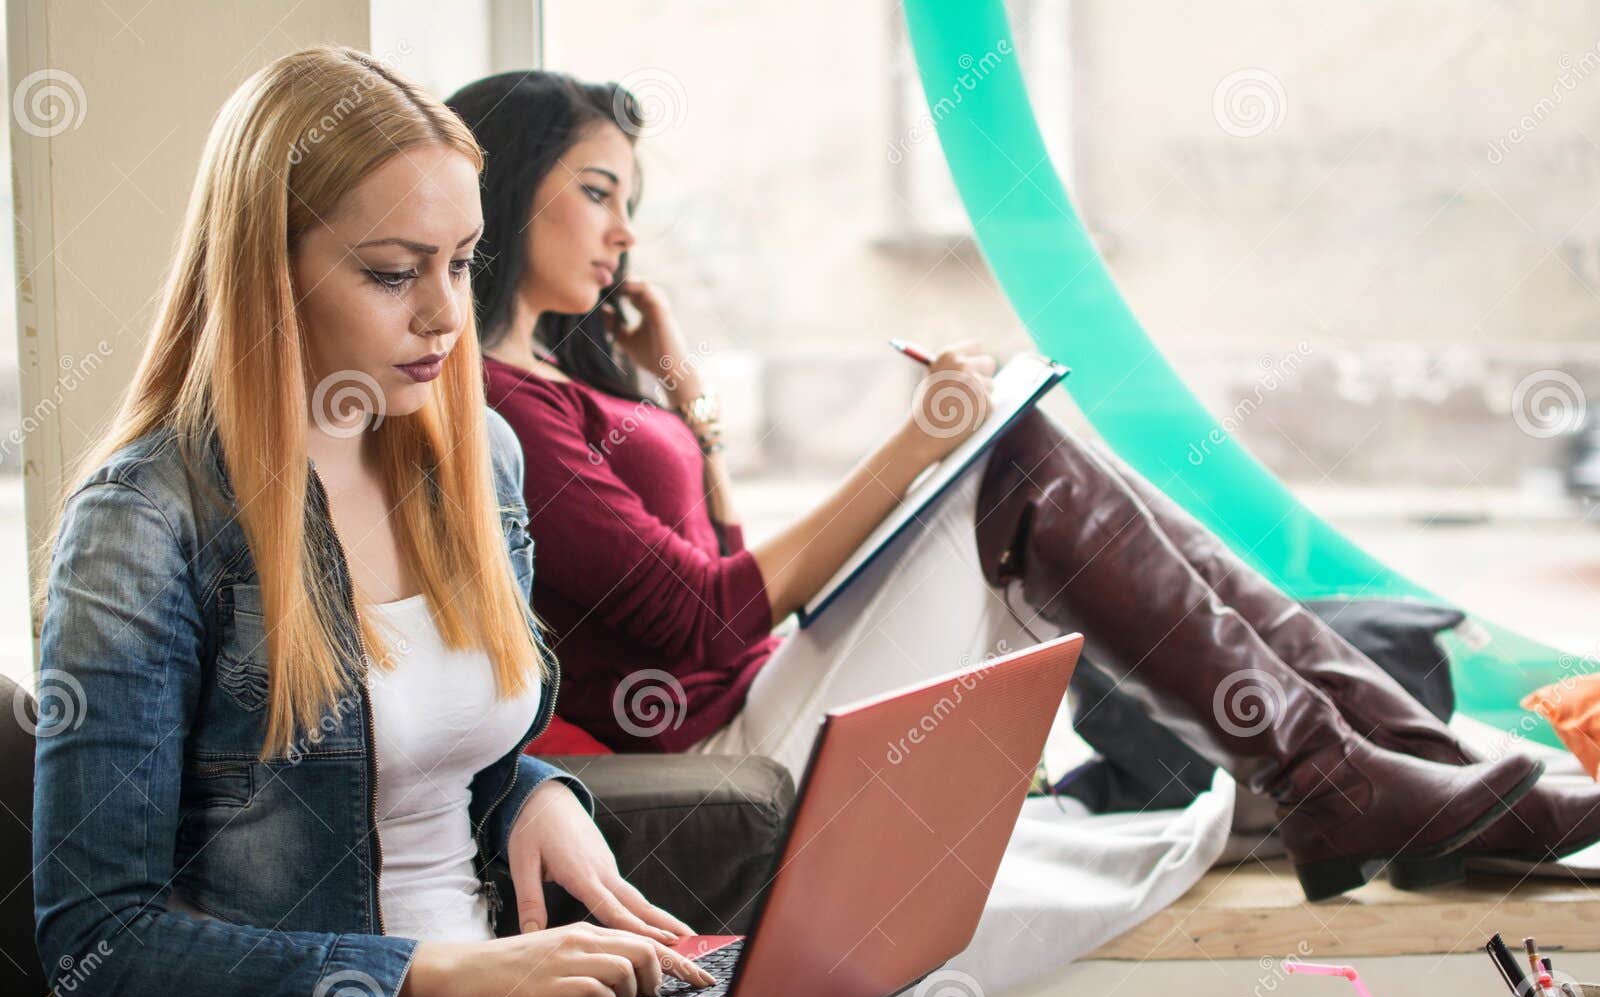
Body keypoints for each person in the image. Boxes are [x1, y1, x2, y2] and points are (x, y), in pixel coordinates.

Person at [30, 47, 1006, 997]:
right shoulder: (145, 520)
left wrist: (529, 791)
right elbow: (103, 948)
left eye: (460, 262)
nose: (445, 314)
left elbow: (419, 755)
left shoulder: (476, 458)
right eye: (392, 272)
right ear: (266, 272)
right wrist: (445, 972)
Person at [448, 70, 1600, 902]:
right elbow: (705, 611)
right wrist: (915, 449)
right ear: (505, 191)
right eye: (598, 192)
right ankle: (1338, 775)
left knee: (1030, 448)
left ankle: (1410, 764)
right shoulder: (500, 410)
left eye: (631, 201)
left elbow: (709, 553)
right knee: (1011, 460)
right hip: (726, 758)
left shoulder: (560, 375)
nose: (623, 232)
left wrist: (681, 395)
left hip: (763, 694)